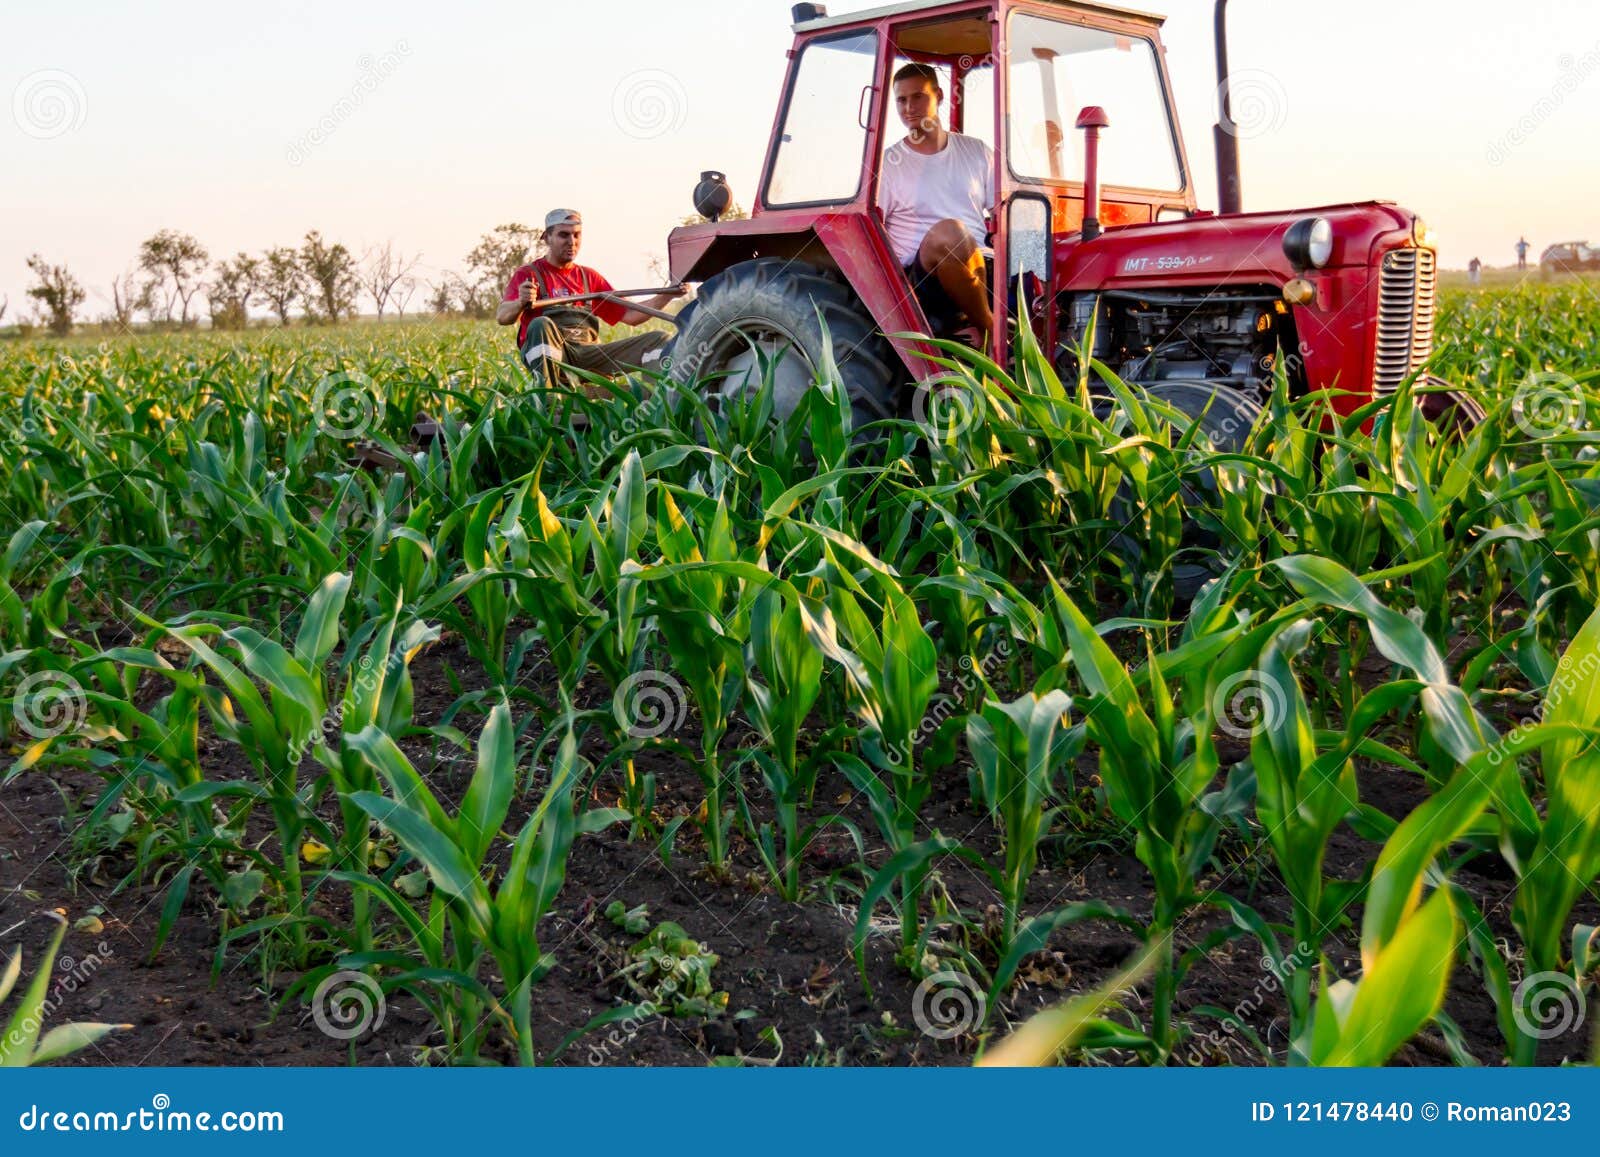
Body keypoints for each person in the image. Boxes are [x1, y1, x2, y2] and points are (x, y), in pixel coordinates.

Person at [497, 209, 682, 396]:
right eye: (564, 235)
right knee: (540, 324)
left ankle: (657, 404)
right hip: (557, 358)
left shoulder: (588, 277)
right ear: (547, 238)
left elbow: (631, 315)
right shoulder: (529, 274)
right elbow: (503, 316)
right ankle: (549, 400)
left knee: (659, 339)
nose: (572, 241)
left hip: (588, 356)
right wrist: (521, 302)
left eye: (577, 235)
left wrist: (666, 295)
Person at [875, 63, 995, 341]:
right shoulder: (888, 165)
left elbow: (1004, 210)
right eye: (901, 100)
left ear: (939, 96)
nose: (909, 107)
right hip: (926, 278)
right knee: (950, 233)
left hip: (982, 265)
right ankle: (993, 335)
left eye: (918, 96)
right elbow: (873, 230)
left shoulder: (976, 151)